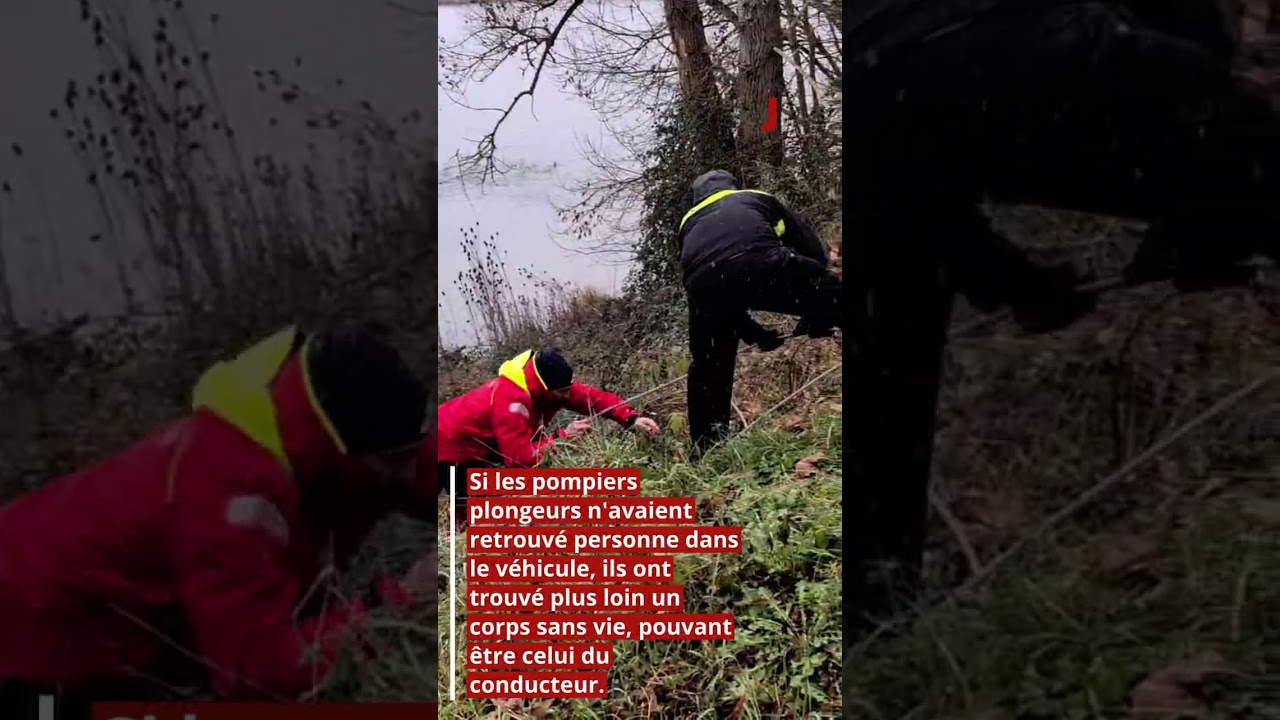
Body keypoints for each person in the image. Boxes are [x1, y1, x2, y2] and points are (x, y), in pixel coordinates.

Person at [846, 0, 1280, 633]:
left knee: (884, 364)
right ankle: (875, 608)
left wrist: (1015, 283)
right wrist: (1211, 184)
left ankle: (874, 612)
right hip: (1001, 58)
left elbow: (911, 178)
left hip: (881, 96)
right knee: (1259, 163)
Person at [0, 323, 437, 715]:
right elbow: (259, 674)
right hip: (26, 639)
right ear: (337, 452)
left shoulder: (328, 434)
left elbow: (422, 468)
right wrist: (400, 602)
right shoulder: (231, 502)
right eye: (393, 462)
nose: (405, 474)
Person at [677, 169, 843, 454]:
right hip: (763, 264)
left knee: (708, 363)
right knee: (837, 297)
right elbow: (805, 242)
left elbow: (716, 284)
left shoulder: (687, 222)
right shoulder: (755, 197)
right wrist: (818, 303)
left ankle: (708, 447)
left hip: (706, 286)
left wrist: (754, 334)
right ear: (732, 186)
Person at [436, 348, 659, 524]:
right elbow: (520, 459)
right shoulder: (512, 401)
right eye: (563, 392)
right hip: (445, 444)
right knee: (473, 510)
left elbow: (592, 398)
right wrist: (563, 438)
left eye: (568, 389)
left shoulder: (552, 384)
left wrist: (630, 419)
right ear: (544, 387)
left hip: (472, 445)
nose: (567, 395)